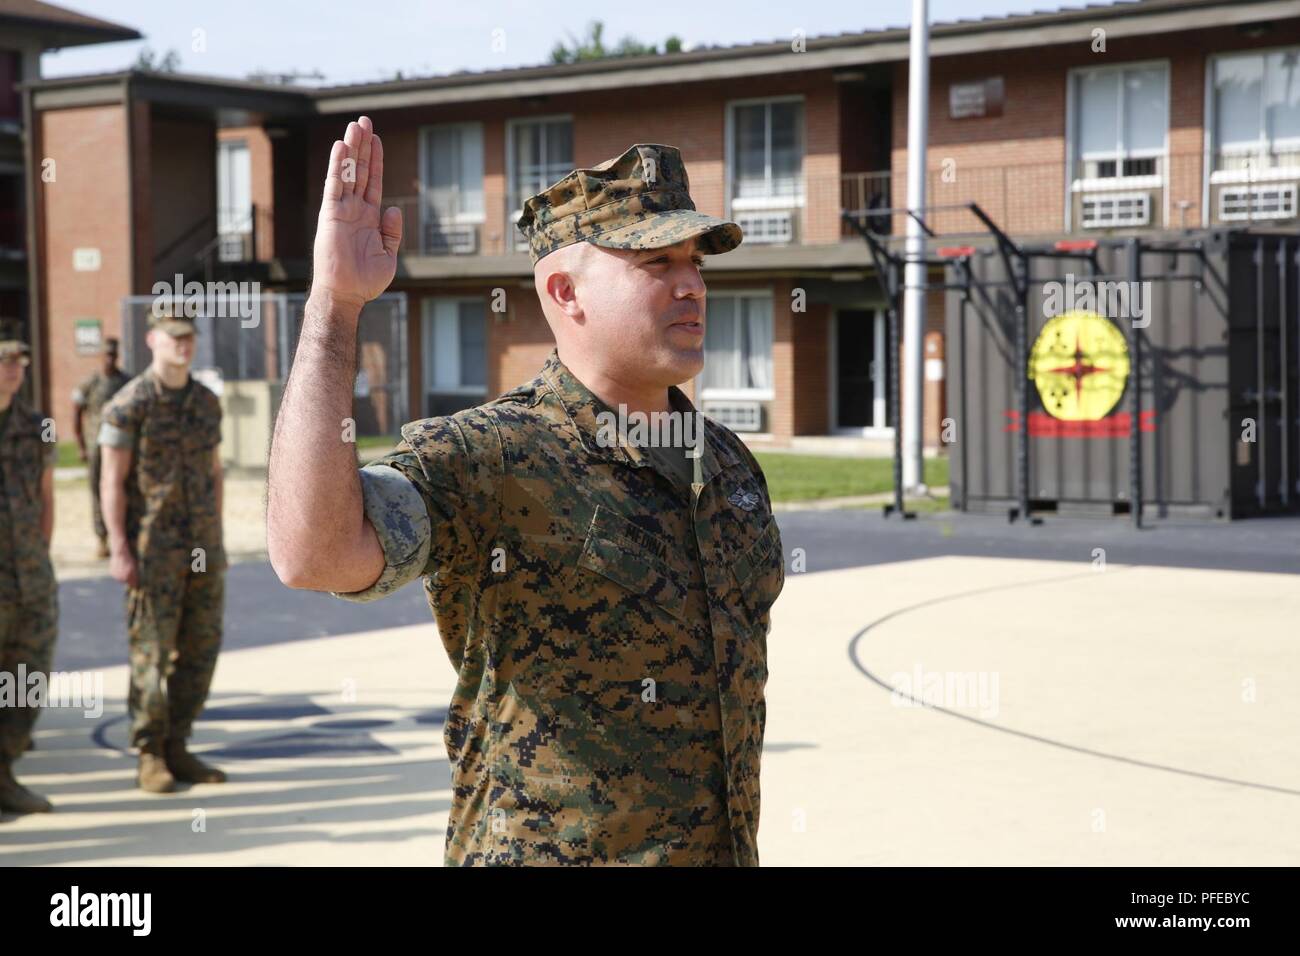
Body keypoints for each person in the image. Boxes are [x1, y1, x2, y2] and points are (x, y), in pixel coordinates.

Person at [267, 117, 784, 865]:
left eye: (695, 262)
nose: (690, 285)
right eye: (655, 262)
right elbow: (312, 553)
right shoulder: (491, 457)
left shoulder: (727, 465)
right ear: (565, 290)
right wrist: (335, 309)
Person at [99, 310, 226, 793]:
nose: (182, 345)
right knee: (151, 655)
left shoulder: (207, 402)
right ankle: (149, 753)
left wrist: (217, 541)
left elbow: (215, 472)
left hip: (203, 547)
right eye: (173, 337)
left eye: (188, 337)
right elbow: (110, 481)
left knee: (201, 649)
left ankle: (178, 744)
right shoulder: (129, 403)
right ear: (152, 339)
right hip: (154, 551)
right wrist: (119, 548)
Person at [0, 319, 57, 813]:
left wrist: (39, 557)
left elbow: (46, 502)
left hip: (31, 583)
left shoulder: (36, 427)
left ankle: (5, 774)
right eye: (3, 360)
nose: (12, 369)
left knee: (25, 681)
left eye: (18, 361)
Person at [72, 337, 129, 559]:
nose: (110, 359)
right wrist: (80, 445)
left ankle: (122, 535)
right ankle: (102, 537)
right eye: (106, 355)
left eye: (113, 355)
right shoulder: (90, 383)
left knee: (122, 488)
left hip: (120, 446)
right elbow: (76, 412)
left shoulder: (126, 382)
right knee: (97, 490)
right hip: (95, 444)